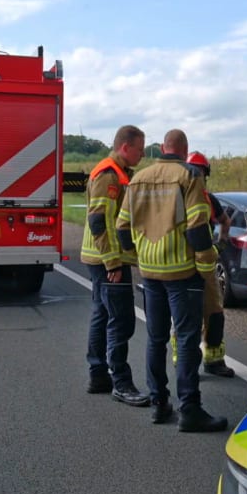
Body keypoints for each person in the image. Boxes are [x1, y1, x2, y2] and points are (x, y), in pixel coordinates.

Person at [116, 129, 227, 433]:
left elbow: (122, 229)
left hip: (150, 272)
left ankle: (158, 403)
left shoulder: (138, 178)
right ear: (185, 149)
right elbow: (197, 229)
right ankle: (190, 409)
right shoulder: (189, 176)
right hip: (183, 274)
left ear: (162, 147)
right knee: (188, 339)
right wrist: (207, 265)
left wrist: (139, 256)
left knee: (156, 339)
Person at [80, 125, 150, 407]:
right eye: (140, 149)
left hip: (101, 259)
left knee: (101, 314)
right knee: (121, 320)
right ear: (125, 147)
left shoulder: (118, 173)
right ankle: (121, 382)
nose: (142, 155)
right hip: (108, 260)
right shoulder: (108, 175)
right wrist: (113, 260)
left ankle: (98, 374)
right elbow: (100, 220)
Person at [184, 151, 236, 378]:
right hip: (183, 267)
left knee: (214, 314)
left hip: (205, 268)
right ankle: (184, 364)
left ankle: (214, 360)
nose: (197, 175)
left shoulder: (208, 199)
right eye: (194, 171)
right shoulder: (177, 197)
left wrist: (220, 246)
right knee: (185, 317)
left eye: (200, 172)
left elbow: (225, 221)